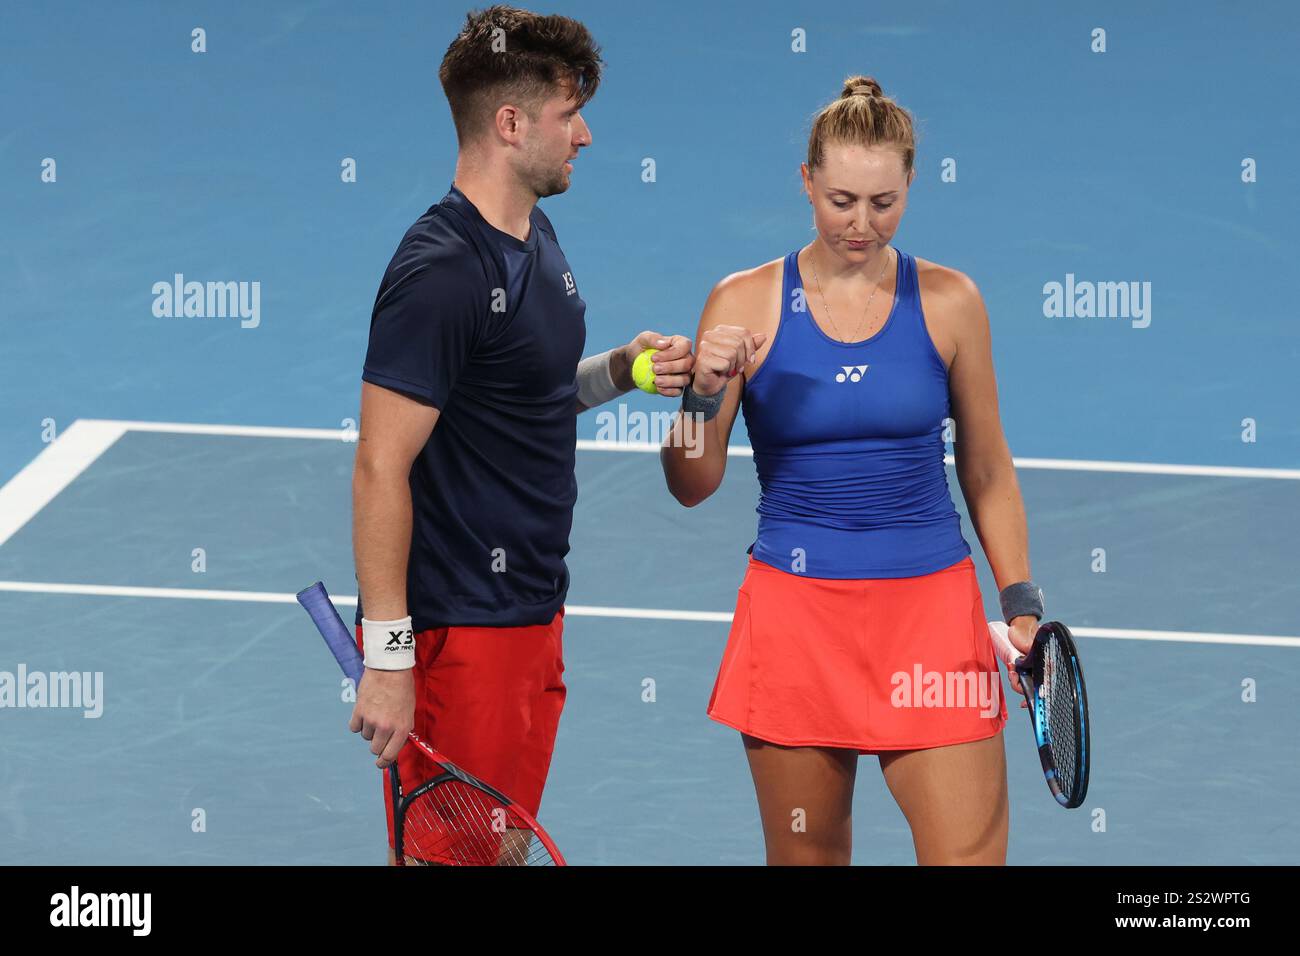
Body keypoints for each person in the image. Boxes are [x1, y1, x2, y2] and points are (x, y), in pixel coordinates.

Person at [660, 75, 1045, 866]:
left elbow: (986, 468)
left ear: (910, 185)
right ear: (806, 183)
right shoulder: (744, 301)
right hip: (796, 620)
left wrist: (1021, 606)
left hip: (932, 618)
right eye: (841, 201)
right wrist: (702, 396)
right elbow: (691, 486)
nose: (861, 224)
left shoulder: (950, 301)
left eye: (883, 202)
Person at [350, 5, 693, 864]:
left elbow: (525, 397)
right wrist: (389, 661)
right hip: (462, 632)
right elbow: (378, 467)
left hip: (531, 613)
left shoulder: (534, 237)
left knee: (496, 854)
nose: (584, 135)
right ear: (510, 123)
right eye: (567, 113)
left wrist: (622, 371)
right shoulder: (441, 272)